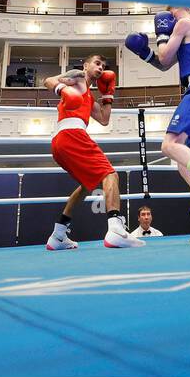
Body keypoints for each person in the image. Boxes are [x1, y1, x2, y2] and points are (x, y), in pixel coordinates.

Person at [125, 6, 190, 244]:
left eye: (170, 9)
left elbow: (164, 56)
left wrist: (161, 35)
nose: (168, 13)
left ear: (181, 7)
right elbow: (164, 63)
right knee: (183, 163)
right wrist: (144, 53)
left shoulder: (184, 23)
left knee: (168, 145)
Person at [43, 55, 141, 249]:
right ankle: (115, 229)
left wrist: (108, 95)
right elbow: (48, 81)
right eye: (97, 64)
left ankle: (58, 235)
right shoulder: (77, 78)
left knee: (88, 185)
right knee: (110, 174)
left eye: (103, 66)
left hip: (61, 143)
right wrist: (63, 89)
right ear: (86, 65)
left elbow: (104, 119)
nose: (101, 68)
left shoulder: (88, 95)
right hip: (72, 135)